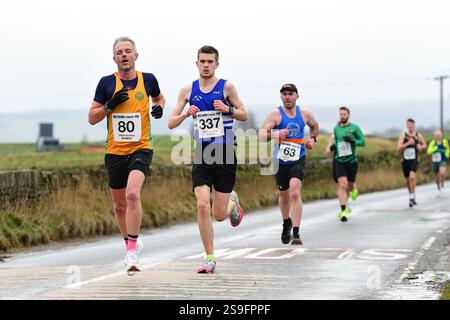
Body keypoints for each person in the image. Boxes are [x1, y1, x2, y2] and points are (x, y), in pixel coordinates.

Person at [88, 37, 166, 272]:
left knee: (133, 194)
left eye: (128, 51)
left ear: (135, 56)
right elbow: (92, 118)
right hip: (114, 151)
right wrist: (108, 106)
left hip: (141, 148)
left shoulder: (148, 80)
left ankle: (131, 252)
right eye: (119, 52)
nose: (124, 55)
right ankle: (129, 242)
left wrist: (159, 107)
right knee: (119, 205)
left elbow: (159, 97)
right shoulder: (106, 84)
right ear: (114, 58)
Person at [168, 45, 247, 273]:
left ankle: (232, 201)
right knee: (202, 205)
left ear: (217, 64)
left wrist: (228, 108)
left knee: (218, 215)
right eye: (202, 61)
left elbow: (244, 114)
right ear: (196, 64)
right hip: (202, 155)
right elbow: (171, 122)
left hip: (224, 154)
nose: (206, 65)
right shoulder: (187, 90)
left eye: (210, 62)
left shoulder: (227, 87)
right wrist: (185, 114)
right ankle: (209, 258)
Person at [259, 84, 319, 245]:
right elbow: (261, 135)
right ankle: (286, 222)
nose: (287, 97)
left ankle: (296, 232)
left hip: (298, 158)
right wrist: (276, 133)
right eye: (284, 94)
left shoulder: (304, 114)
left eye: (290, 94)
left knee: (294, 192)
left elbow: (315, 126)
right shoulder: (276, 114)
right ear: (281, 97)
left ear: (296, 96)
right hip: (280, 160)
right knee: (284, 195)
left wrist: (313, 139)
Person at [325, 106, 365, 222]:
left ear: (348, 115)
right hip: (339, 160)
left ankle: (353, 189)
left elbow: (363, 142)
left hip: (351, 161)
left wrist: (353, 141)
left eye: (344, 114)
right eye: (341, 114)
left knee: (350, 185)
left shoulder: (355, 128)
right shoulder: (336, 129)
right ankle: (343, 210)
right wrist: (333, 147)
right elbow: (337, 141)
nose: (342, 116)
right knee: (342, 185)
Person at [396, 118, 427, 207]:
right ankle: (411, 195)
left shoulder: (418, 135)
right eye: (409, 125)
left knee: (412, 177)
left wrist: (421, 147)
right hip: (405, 160)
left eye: (412, 125)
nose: (410, 126)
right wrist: (408, 143)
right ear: (407, 126)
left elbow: (424, 145)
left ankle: (412, 197)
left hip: (414, 159)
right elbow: (398, 148)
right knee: (407, 180)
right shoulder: (403, 135)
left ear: (414, 125)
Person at [427, 130, 449, 196]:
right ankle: (438, 187)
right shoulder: (433, 143)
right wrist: (434, 149)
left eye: (439, 135)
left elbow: (448, 149)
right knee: (437, 176)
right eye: (437, 135)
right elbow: (428, 151)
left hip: (442, 160)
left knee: (442, 172)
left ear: (441, 135)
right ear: (434, 136)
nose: (438, 136)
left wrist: (447, 153)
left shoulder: (444, 142)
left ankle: (442, 183)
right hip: (435, 161)